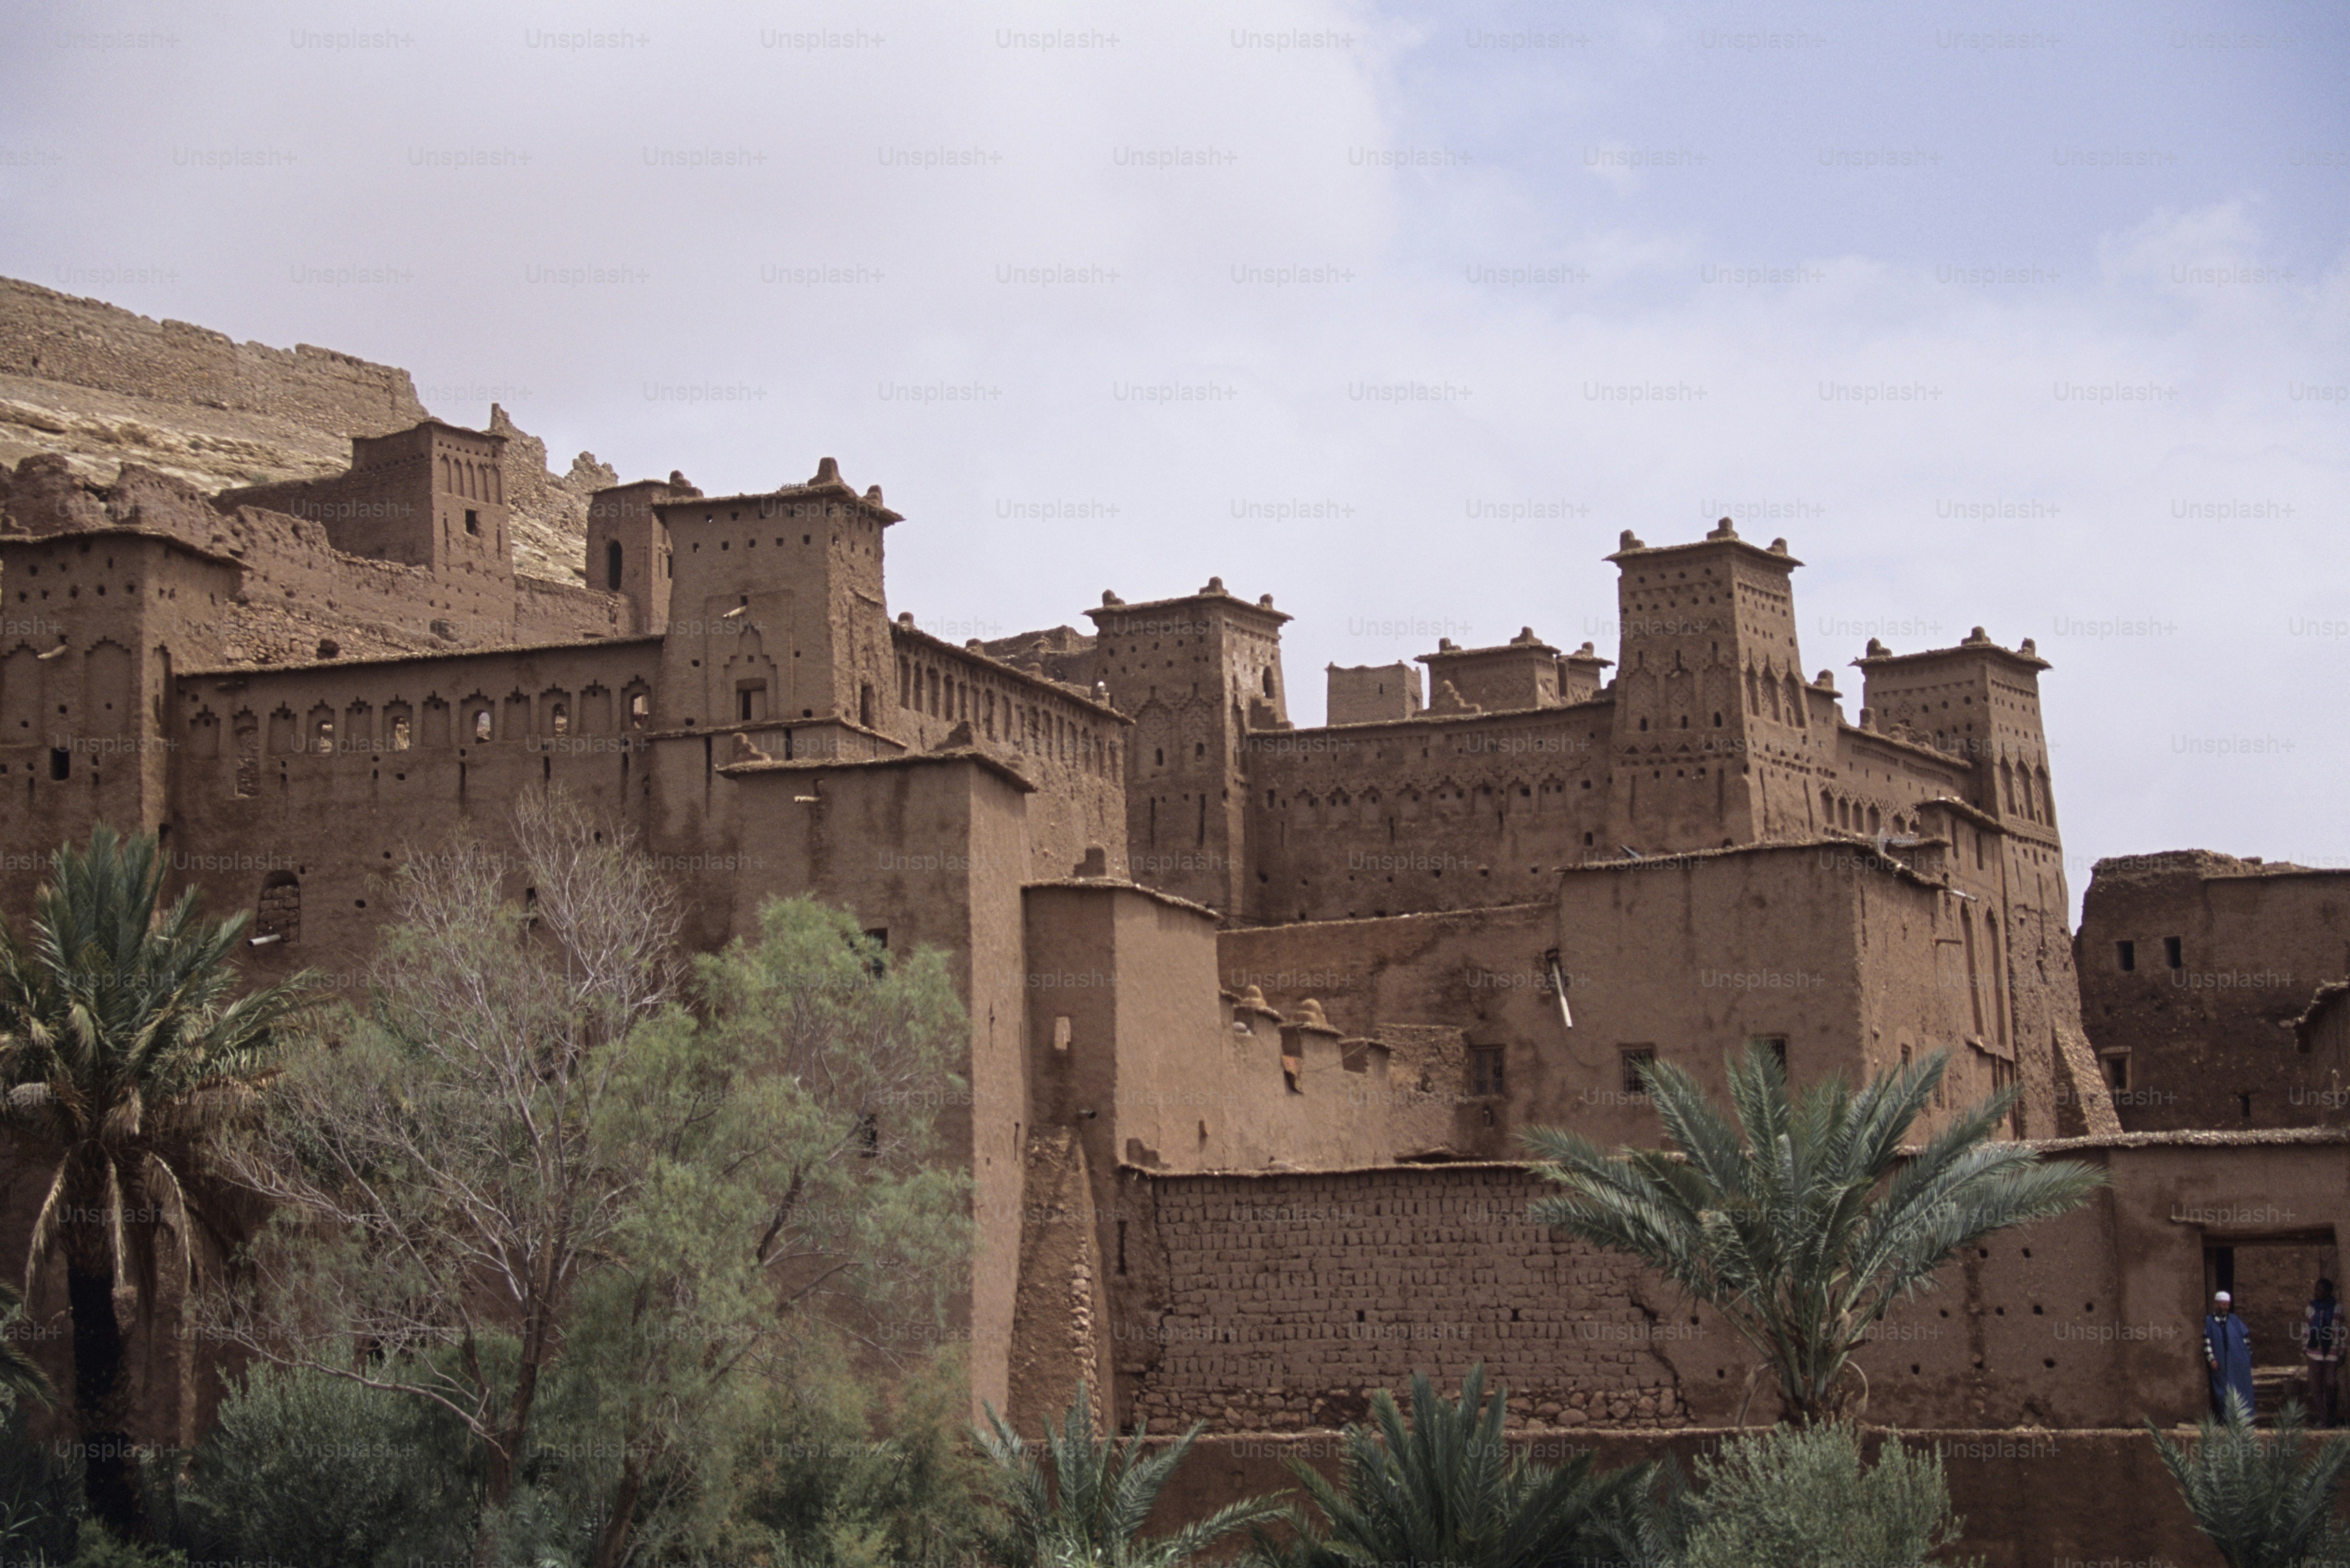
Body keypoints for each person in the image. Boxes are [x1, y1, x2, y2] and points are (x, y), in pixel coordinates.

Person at [2206, 1289, 2255, 1422]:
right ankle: (2226, 1420)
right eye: (2223, 1305)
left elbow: (2245, 1338)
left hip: (2236, 1361)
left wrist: (2247, 1356)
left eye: (2227, 1305)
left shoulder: (2234, 1320)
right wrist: (2212, 1359)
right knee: (2222, 1390)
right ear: (2217, 1305)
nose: (2226, 1308)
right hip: (2220, 1362)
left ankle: (2243, 1418)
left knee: (2240, 1388)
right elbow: (2207, 1341)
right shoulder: (2210, 1321)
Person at [2303, 1278, 2343, 1427]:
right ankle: (2323, 1418)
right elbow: (2306, 1329)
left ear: (2328, 1292)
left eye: (2320, 1290)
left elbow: (2341, 1331)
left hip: (2331, 1353)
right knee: (2316, 1386)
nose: (2316, 1293)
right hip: (2314, 1353)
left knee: (2331, 1384)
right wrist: (2305, 1348)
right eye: (2316, 1289)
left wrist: (2342, 1350)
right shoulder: (2311, 1309)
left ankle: (2331, 1415)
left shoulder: (2338, 1309)